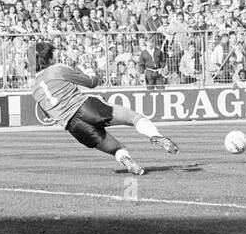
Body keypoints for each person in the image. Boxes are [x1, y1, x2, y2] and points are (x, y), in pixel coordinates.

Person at [30, 40, 177, 176]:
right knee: (135, 118)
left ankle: (128, 161)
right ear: (49, 57)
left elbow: (49, 114)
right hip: (86, 108)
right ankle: (156, 136)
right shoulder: (57, 69)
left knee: (116, 148)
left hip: (74, 127)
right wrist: (92, 72)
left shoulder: (34, 89)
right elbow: (91, 82)